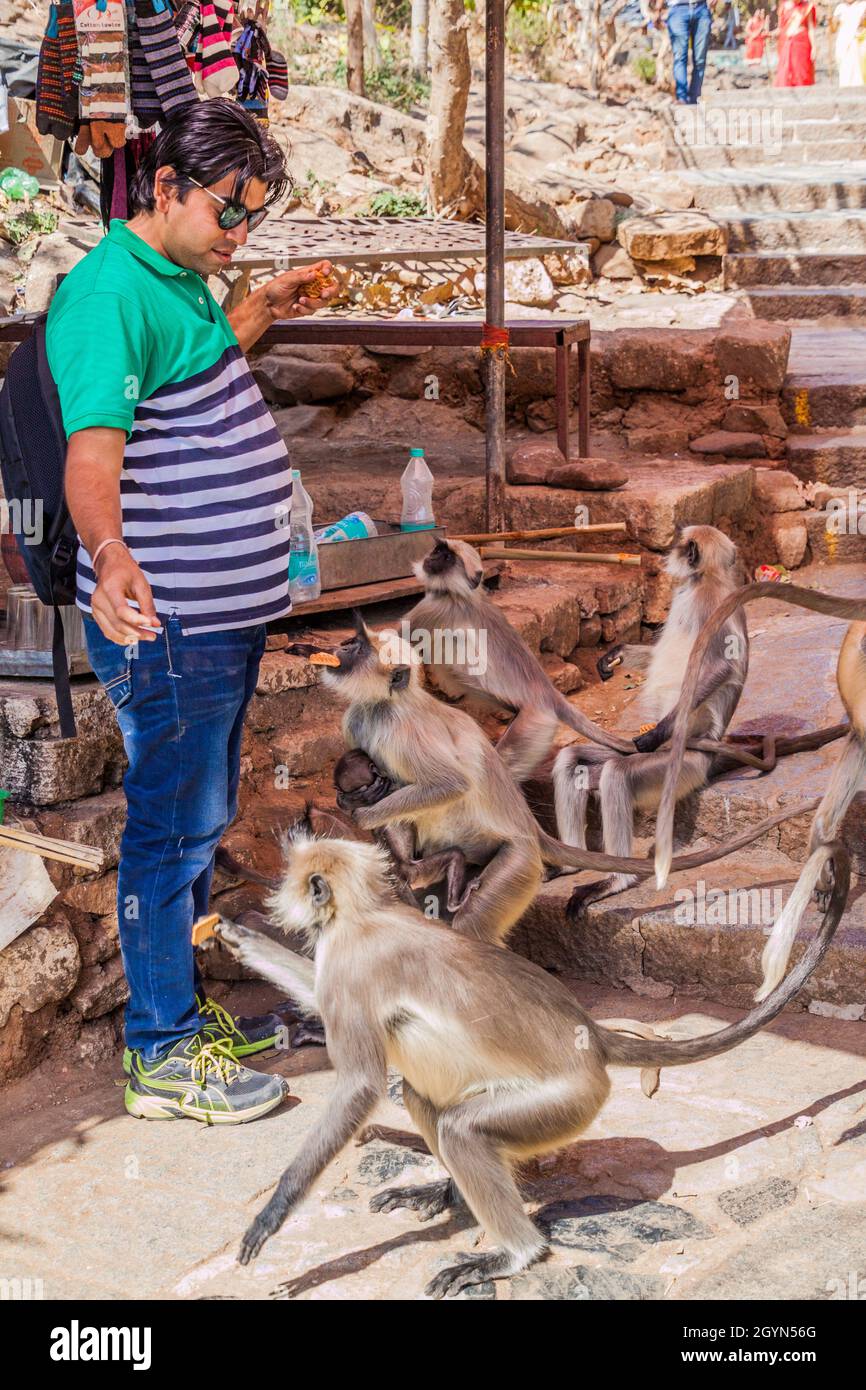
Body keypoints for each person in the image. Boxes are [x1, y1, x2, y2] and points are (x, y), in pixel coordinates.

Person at [45, 99, 338, 1125]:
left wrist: (261, 302)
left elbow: (194, 377)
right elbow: (93, 455)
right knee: (170, 832)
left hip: (220, 617)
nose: (238, 232)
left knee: (198, 822)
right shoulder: (105, 296)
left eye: (254, 214)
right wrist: (111, 553)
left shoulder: (184, 281)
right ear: (163, 187)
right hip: (165, 623)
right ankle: (162, 1052)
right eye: (227, 210)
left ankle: (186, 1013)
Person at [653, 0, 715, 103]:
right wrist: (657, 9)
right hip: (678, 10)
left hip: (701, 8)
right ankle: (682, 98)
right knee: (680, 57)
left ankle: (694, 97)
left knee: (700, 59)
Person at [774, 0, 817, 85]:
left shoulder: (807, 7)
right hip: (787, 43)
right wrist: (769, 34)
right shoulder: (784, 7)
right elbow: (781, 28)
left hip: (802, 44)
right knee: (785, 73)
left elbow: (811, 28)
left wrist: (814, 47)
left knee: (801, 72)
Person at [831, 0, 866, 85]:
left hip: (858, 40)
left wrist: (863, 20)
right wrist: (831, 20)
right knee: (844, 68)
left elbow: (863, 24)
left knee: (857, 68)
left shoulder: (863, 5)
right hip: (843, 41)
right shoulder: (840, 8)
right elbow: (833, 29)